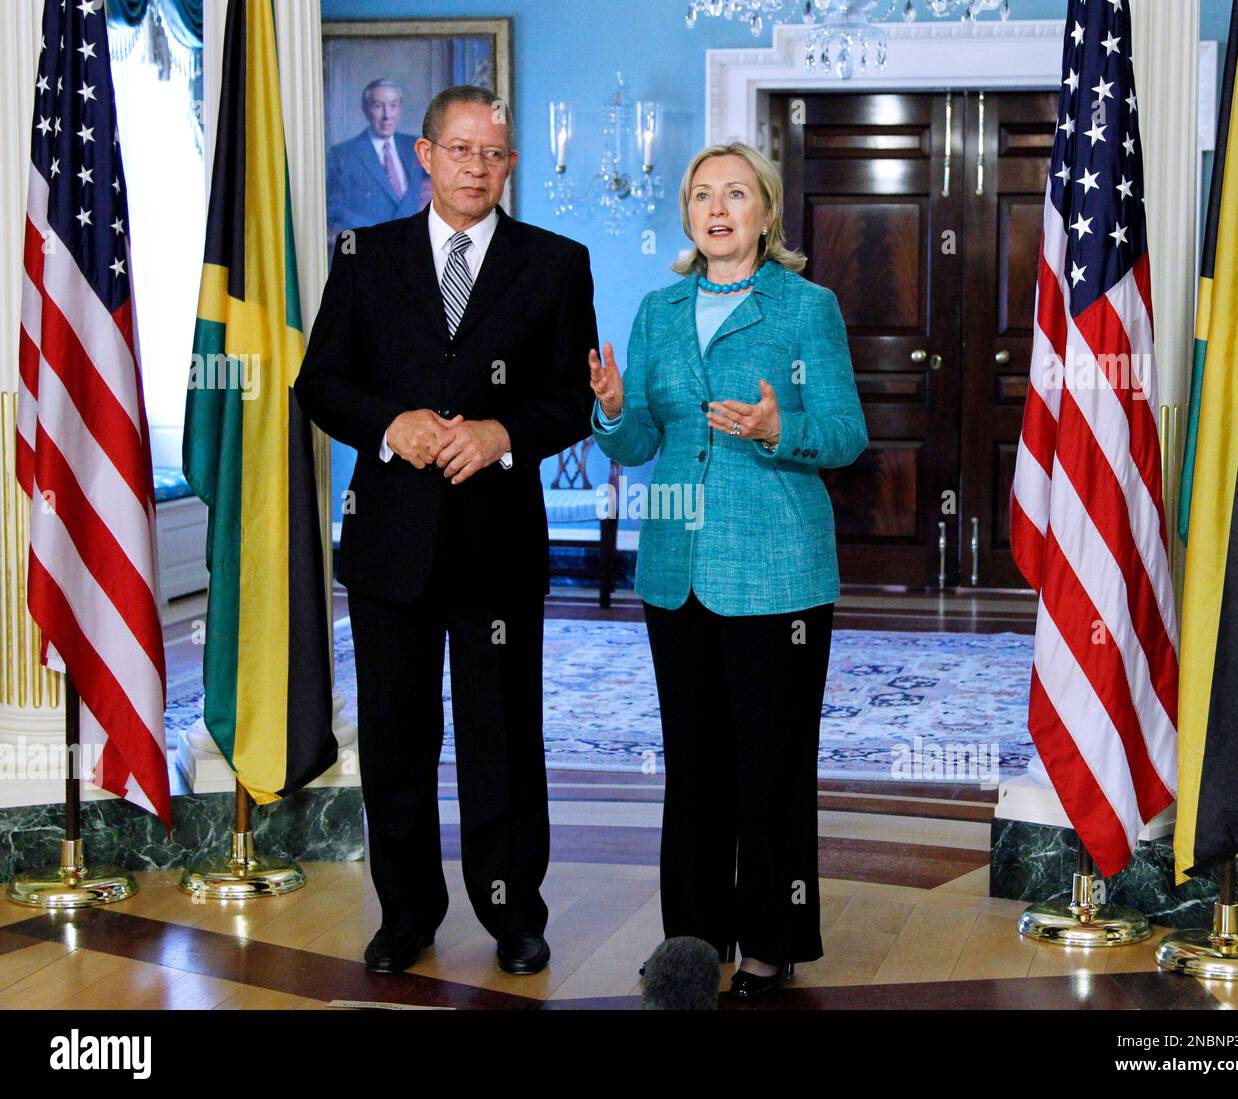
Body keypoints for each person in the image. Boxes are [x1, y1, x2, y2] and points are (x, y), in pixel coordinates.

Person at [297, 85, 598, 976]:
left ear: (510, 164)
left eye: (494, 154)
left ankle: (513, 914)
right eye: (460, 150)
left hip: (499, 543)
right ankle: (407, 914)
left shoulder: (556, 261)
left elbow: (571, 396)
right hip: (392, 544)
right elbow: (323, 383)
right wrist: (393, 424)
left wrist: (506, 434)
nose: (478, 167)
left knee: (504, 735)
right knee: (396, 735)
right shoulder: (364, 256)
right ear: (424, 156)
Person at [589, 141, 868, 999]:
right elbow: (641, 442)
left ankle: (770, 944)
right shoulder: (658, 309)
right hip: (676, 567)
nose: (717, 207)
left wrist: (778, 429)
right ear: (686, 214)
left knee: (771, 765)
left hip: (778, 573)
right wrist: (607, 411)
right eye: (702, 194)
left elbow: (847, 435)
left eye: (736, 193)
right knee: (695, 764)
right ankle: (693, 942)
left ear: (765, 212)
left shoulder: (805, 307)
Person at [326, 78, 426, 236]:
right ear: (365, 109)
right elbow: (334, 208)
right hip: (370, 246)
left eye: (393, 106)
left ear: (400, 108)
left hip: (412, 247)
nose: (387, 115)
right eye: (378, 106)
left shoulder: (416, 146)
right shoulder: (342, 155)